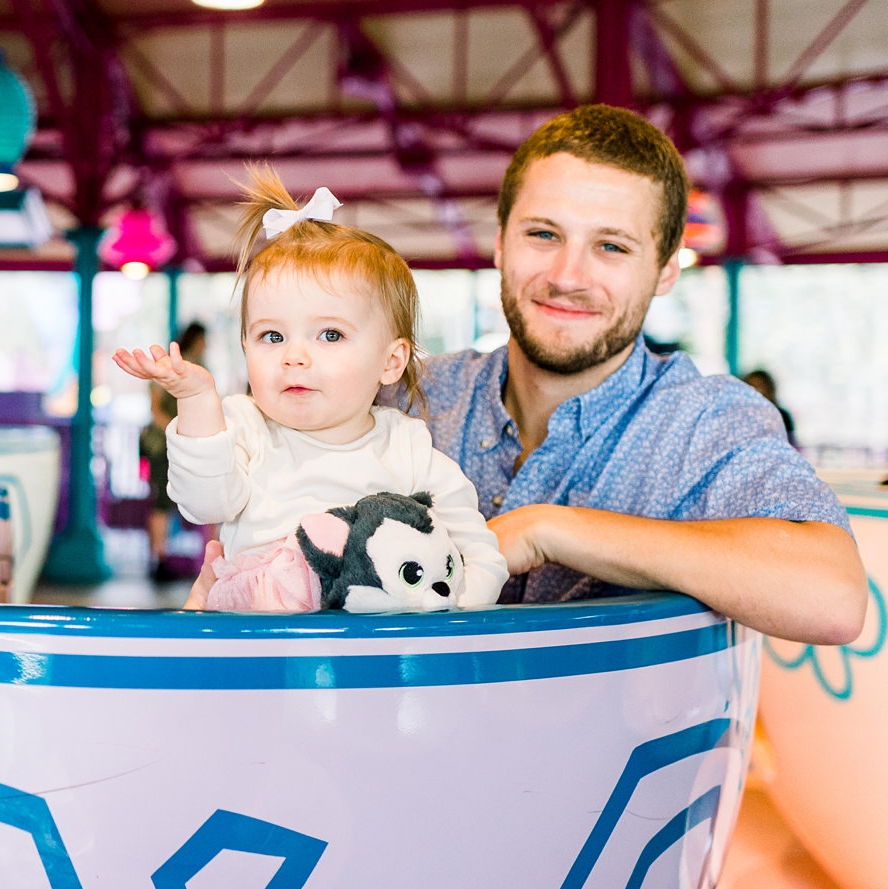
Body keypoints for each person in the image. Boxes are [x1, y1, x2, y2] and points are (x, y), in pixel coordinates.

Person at [351, 103, 861, 644]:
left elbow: (834, 597)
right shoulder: (403, 397)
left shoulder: (704, 423)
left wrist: (550, 530)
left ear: (666, 269)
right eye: (543, 235)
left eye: (611, 246)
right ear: (501, 242)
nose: (568, 276)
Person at [115, 166, 507, 611]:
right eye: (272, 337)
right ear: (245, 347)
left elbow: (479, 554)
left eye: (330, 335)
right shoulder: (247, 429)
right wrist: (197, 401)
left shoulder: (408, 447)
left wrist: (453, 621)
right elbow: (203, 504)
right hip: (258, 652)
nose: (294, 357)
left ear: (391, 361)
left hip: (372, 658)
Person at [138, 320, 207, 580]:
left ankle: (162, 558)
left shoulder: (190, 366)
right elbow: (155, 409)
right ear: (196, 339)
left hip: (170, 442)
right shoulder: (183, 367)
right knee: (162, 502)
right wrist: (178, 432)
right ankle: (160, 559)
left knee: (164, 502)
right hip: (162, 445)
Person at [741, 368, 798, 448]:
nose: (755, 391)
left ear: (770, 388)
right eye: (751, 386)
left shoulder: (782, 415)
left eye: (759, 386)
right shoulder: (741, 418)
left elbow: (792, 445)